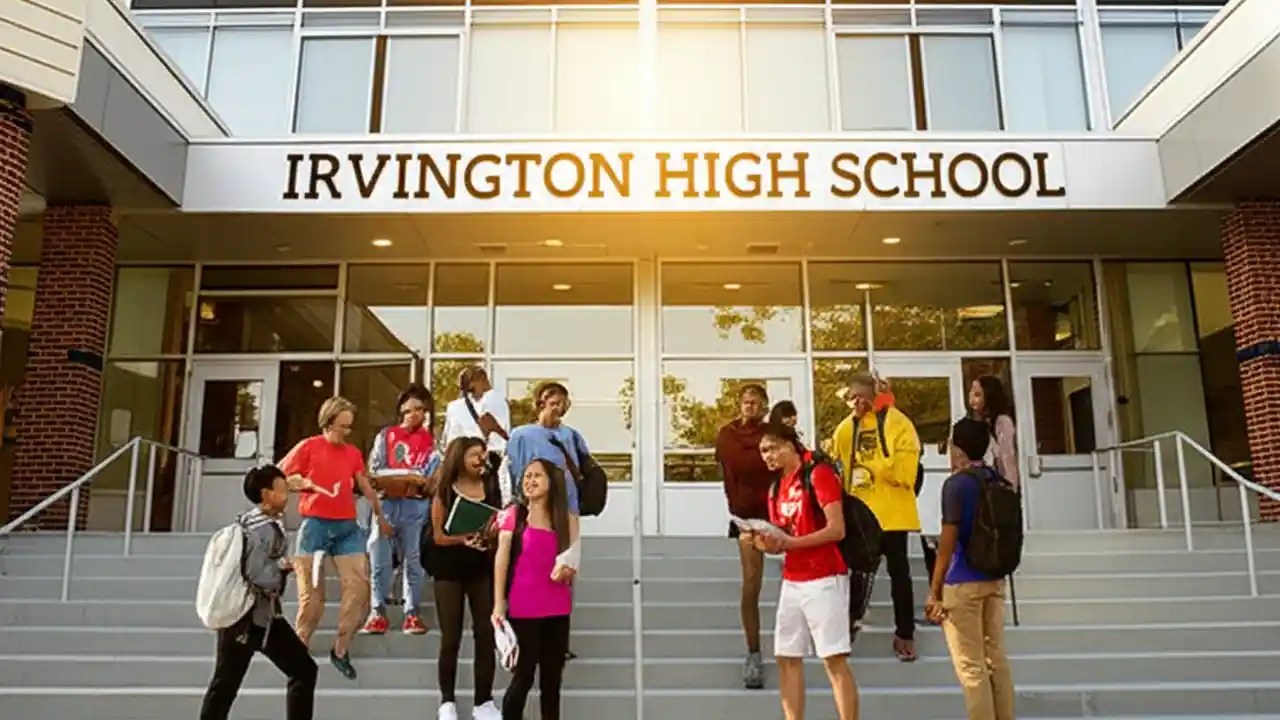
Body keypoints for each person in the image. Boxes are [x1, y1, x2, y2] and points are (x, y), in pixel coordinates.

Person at [749, 421, 859, 720]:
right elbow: (783, 535)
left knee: (833, 659)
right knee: (786, 657)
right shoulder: (775, 487)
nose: (766, 456)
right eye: (762, 451)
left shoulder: (818, 474)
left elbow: (836, 529)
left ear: (788, 444)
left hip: (825, 576)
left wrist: (791, 543)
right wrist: (763, 541)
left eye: (770, 449)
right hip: (793, 579)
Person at [281, 396, 390, 680]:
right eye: (343, 426)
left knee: (359, 588)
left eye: (350, 427)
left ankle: (340, 649)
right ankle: (297, 651)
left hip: (346, 528)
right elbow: (281, 475)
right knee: (312, 597)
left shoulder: (352, 452)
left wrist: (380, 515)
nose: (347, 432)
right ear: (329, 422)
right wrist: (301, 483)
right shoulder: (308, 446)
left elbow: (364, 483)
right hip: (315, 527)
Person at [199, 465, 317, 720]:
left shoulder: (248, 521)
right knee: (301, 670)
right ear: (266, 494)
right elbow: (257, 574)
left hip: (251, 618)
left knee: (225, 685)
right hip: (251, 619)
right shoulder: (265, 530)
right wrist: (285, 568)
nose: (287, 495)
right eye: (282, 490)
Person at [926, 418, 1016, 720]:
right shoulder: (999, 481)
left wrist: (934, 590)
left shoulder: (956, 485)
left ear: (959, 449)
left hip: (962, 583)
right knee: (996, 662)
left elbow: (948, 543)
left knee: (971, 669)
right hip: (994, 580)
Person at [831, 373, 922, 662]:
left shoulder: (898, 423)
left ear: (874, 395)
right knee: (856, 573)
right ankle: (847, 626)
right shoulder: (845, 428)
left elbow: (906, 472)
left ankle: (905, 633)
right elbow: (836, 466)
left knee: (899, 574)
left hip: (893, 515)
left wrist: (877, 467)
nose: (857, 402)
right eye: (852, 397)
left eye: (862, 396)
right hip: (860, 515)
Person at [493, 458, 580, 720]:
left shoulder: (567, 519)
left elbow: (574, 560)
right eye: (527, 476)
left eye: (537, 476)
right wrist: (498, 604)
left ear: (551, 482)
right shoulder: (514, 514)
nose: (530, 481)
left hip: (557, 607)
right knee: (523, 676)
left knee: (552, 681)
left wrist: (568, 569)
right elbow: (501, 559)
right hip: (523, 607)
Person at [432, 436, 503, 720]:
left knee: (485, 634)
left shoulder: (490, 485)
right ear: (459, 457)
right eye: (475, 454)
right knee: (451, 636)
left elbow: (496, 523)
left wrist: (492, 534)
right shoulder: (444, 490)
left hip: (480, 565)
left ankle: (483, 701)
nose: (480, 459)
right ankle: (447, 701)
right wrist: (464, 538)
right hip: (449, 567)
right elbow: (438, 536)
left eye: (483, 454)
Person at [363, 384, 441, 636]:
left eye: (420, 409)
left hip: (416, 505)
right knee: (379, 558)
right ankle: (377, 611)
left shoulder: (432, 441)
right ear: (401, 410)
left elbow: (430, 477)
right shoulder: (386, 435)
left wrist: (419, 483)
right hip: (386, 503)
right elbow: (374, 470)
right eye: (409, 409)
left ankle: (412, 613)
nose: (414, 414)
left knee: (414, 559)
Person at [714, 383, 776, 689]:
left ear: (764, 406)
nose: (750, 406)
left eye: (756, 402)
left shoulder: (774, 435)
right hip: (747, 519)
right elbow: (729, 470)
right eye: (746, 402)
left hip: (781, 515)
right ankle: (753, 653)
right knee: (752, 582)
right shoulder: (727, 435)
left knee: (802, 577)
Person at [505, 382, 584, 515]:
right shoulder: (521, 435)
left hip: (566, 504)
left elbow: (578, 467)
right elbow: (514, 471)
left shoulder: (570, 435)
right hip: (533, 505)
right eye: (554, 404)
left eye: (562, 404)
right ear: (540, 405)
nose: (558, 409)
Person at [442, 365, 510, 480]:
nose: (472, 393)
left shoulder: (454, 407)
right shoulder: (496, 400)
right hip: (485, 461)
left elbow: (448, 440)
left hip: (464, 462)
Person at [959, 376, 1019, 489]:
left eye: (977, 395)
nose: (971, 400)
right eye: (970, 393)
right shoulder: (980, 423)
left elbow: (1007, 456)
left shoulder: (1002, 421)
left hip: (1001, 486)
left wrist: (1010, 485)